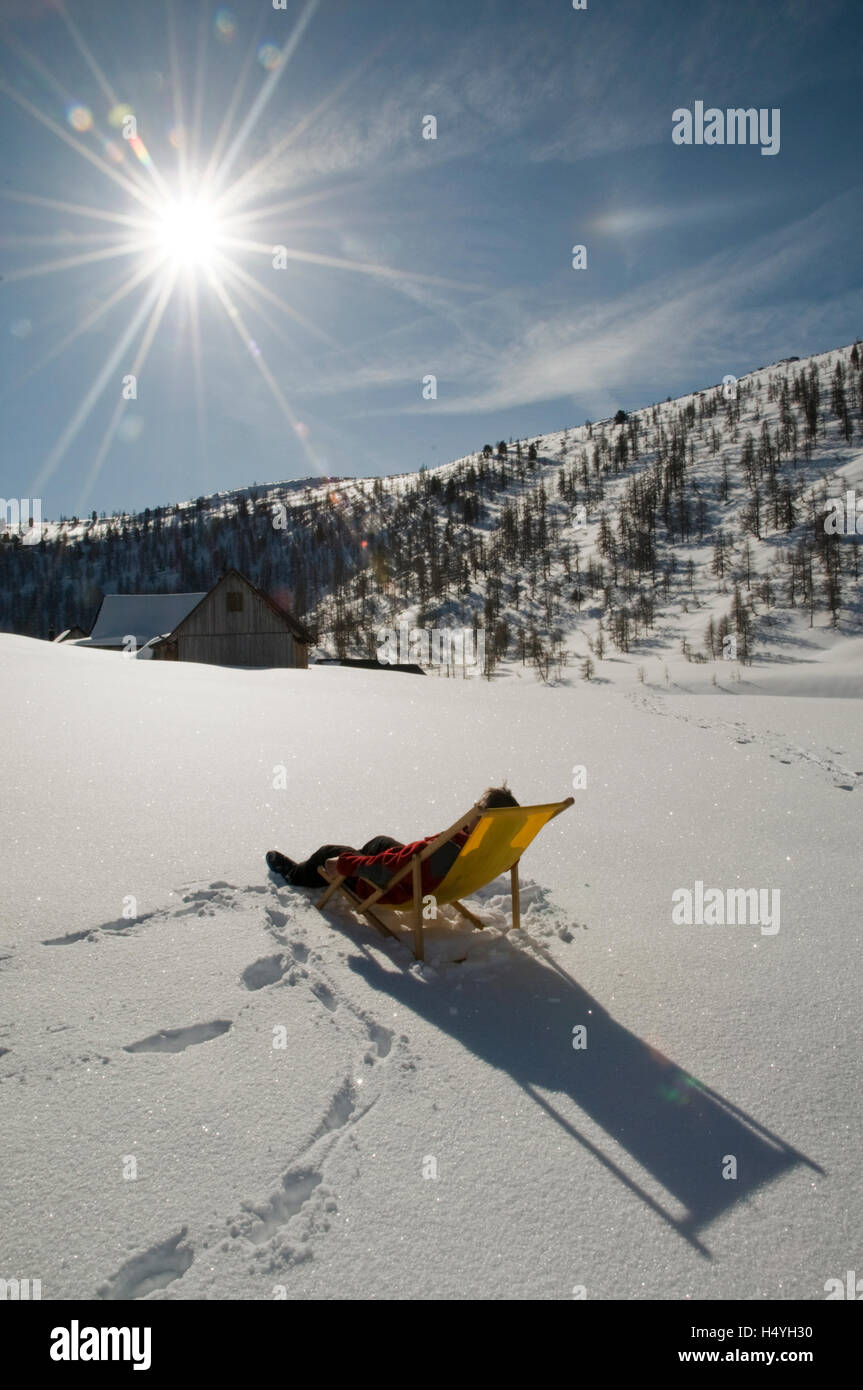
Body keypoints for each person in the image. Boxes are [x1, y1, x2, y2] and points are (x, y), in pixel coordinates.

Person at [266, 786, 519, 905]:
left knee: (329, 853)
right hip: (427, 876)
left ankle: (295, 875)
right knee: (381, 842)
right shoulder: (492, 849)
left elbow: (389, 869)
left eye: (478, 808)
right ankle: (357, 859)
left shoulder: (450, 847)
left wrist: (346, 864)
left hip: (393, 886)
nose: (471, 811)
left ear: (485, 820)